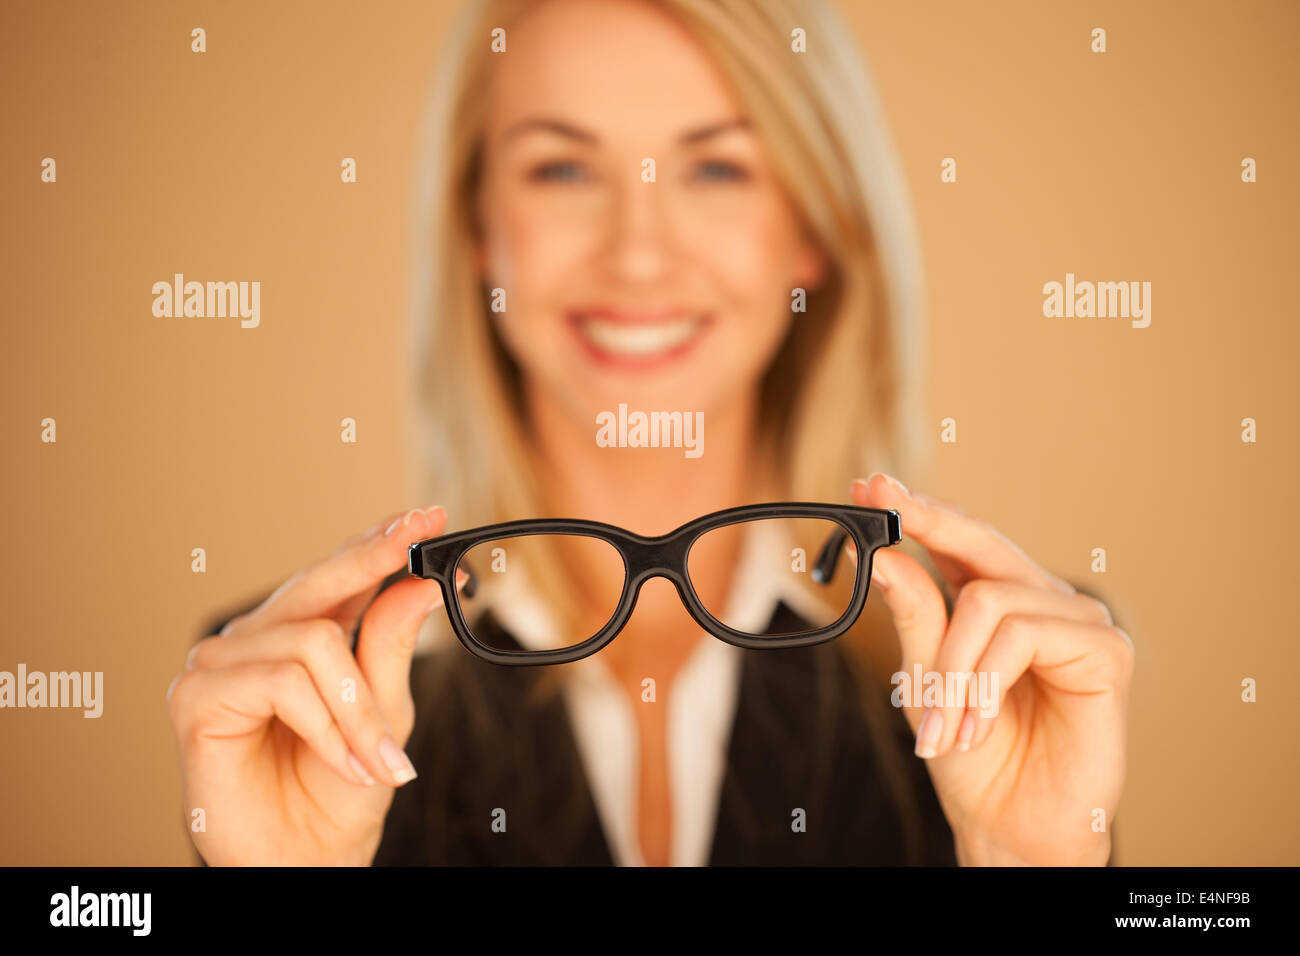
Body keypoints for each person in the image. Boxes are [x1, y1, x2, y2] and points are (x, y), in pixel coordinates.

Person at [168, 0, 1133, 866]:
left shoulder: (1000, 686)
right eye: (562, 168)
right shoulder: (304, 703)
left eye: (716, 166)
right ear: (480, 229)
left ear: (814, 226)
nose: (637, 254)